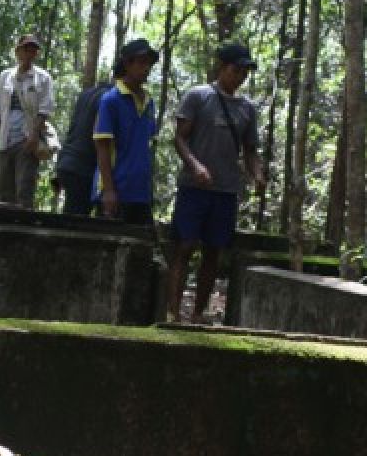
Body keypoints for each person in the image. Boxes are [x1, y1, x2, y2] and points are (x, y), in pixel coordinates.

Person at [165, 43, 266, 323]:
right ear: (222, 67)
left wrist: (257, 175)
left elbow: (250, 150)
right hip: (193, 187)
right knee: (184, 247)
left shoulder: (247, 109)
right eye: (236, 70)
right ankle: (173, 313)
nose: (240, 77)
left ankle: (198, 313)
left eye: (245, 72)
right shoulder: (198, 96)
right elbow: (180, 138)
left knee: (213, 252)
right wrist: (195, 165)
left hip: (225, 190)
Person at [93, 39, 160, 224]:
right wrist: (108, 190)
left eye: (149, 63)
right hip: (116, 191)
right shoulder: (111, 100)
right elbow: (102, 147)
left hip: (141, 193)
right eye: (141, 62)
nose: (146, 68)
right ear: (127, 64)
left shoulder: (149, 102)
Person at [0, 34, 55, 209]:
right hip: (5, 139)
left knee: (24, 190)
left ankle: (24, 224)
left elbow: (45, 110)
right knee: (4, 192)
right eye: (26, 49)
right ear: (18, 51)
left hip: (26, 140)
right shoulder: (5, 76)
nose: (30, 53)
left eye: (33, 50)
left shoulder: (43, 78)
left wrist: (34, 136)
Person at [55, 76, 114, 215]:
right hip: (82, 168)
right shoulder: (109, 98)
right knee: (77, 218)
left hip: (66, 162)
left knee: (72, 212)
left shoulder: (85, 94)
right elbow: (99, 136)